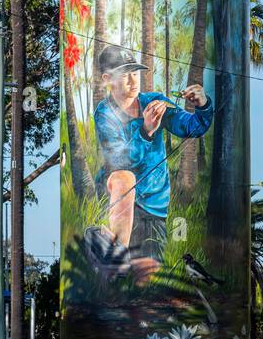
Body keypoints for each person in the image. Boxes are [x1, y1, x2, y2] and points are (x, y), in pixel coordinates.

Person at [89, 43, 213, 269]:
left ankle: (118, 263)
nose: (133, 80)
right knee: (124, 177)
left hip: (154, 205)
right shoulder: (105, 114)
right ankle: (117, 252)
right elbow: (121, 160)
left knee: (147, 278)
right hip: (122, 200)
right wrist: (146, 131)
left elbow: (192, 128)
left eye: (135, 73)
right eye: (125, 75)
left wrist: (202, 105)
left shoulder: (154, 102)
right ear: (108, 79)